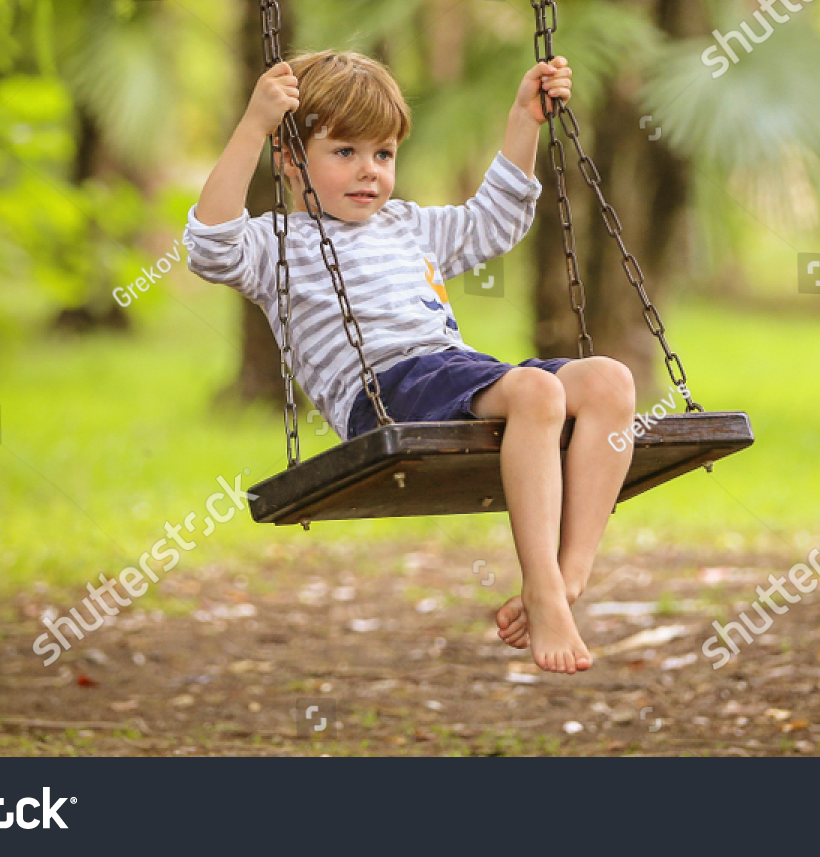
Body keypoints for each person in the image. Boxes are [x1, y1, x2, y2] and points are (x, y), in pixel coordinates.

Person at [183, 50, 637, 673]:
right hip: (384, 397)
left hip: (453, 370)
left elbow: (497, 222)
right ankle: (541, 589)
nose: (368, 171)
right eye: (344, 152)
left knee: (610, 380)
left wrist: (524, 121)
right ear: (290, 159)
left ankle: (568, 577)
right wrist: (253, 126)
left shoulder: (407, 225)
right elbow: (210, 246)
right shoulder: (274, 245)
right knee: (536, 392)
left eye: (384, 154)